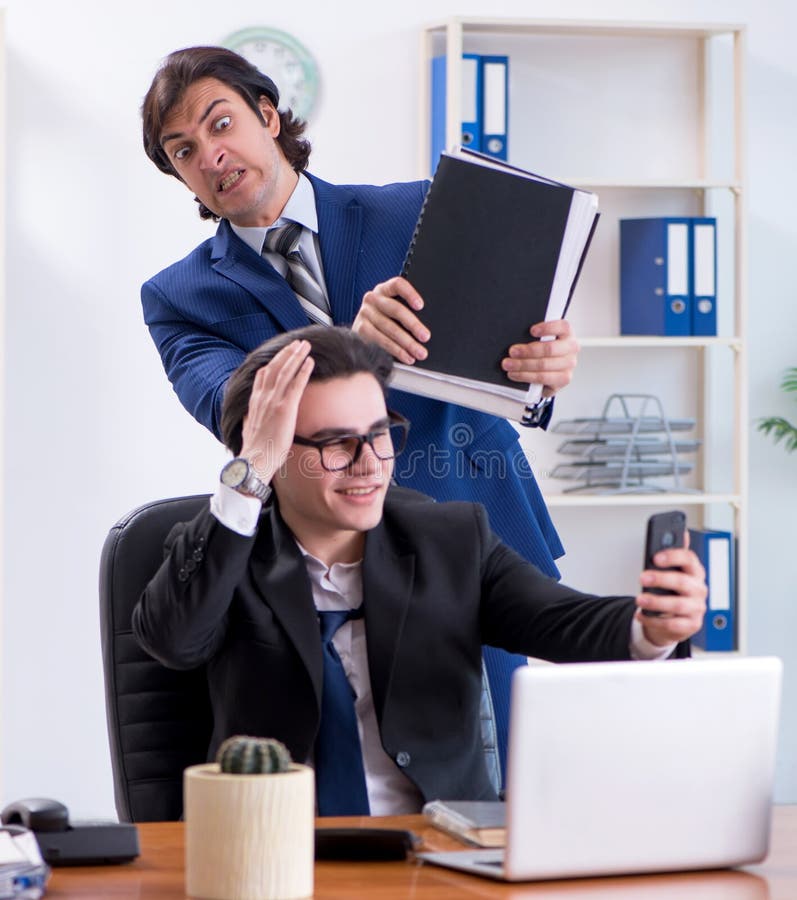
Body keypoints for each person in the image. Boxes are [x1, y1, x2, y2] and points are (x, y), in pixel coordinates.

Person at [140, 45, 576, 776]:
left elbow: (504, 363)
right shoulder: (180, 297)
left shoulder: (418, 210)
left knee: (496, 809)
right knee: (361, 813)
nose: (210, 155)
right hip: (322, 581)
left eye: (221, 126)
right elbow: (236, 412)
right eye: (184, 151)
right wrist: (350, 345)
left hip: (476, 547)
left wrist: (541, 375)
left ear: (268, 115)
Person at [133, 326, 707, 816]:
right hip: (273, 852)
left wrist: (653, 628)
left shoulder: (449, 539)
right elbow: (174, 640)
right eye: (336, 444)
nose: (369, 466)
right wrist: (250, 466)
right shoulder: (224, 551)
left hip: (438, 852)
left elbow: (562, 619)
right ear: (272, 452)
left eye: (379, 436)